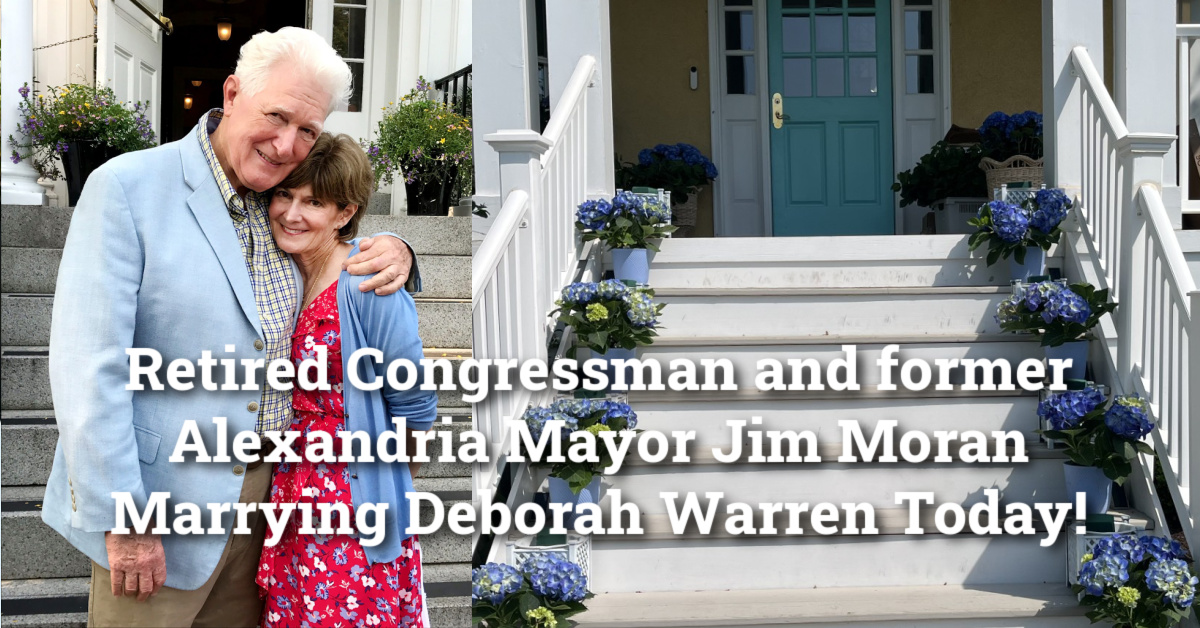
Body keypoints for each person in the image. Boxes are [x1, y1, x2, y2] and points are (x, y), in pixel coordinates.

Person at [42, 27, 420, 627]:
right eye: (276, 115)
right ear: (232, 91)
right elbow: (89, 369)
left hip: (269, 512)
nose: (287, 144)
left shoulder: (280, 210)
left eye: (309, 131)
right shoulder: (127, 186)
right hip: (163, 511)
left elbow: (337, 258)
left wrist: (399, 248)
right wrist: (127, 520)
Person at [255, 132, 436, 628]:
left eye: (313, 201)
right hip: (294, 486)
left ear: (344, 213)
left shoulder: (367, 281)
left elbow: (415, 403)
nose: (291, 213)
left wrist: (393, 485)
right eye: (284, 195)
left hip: (352, 492)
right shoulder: (282, 269)